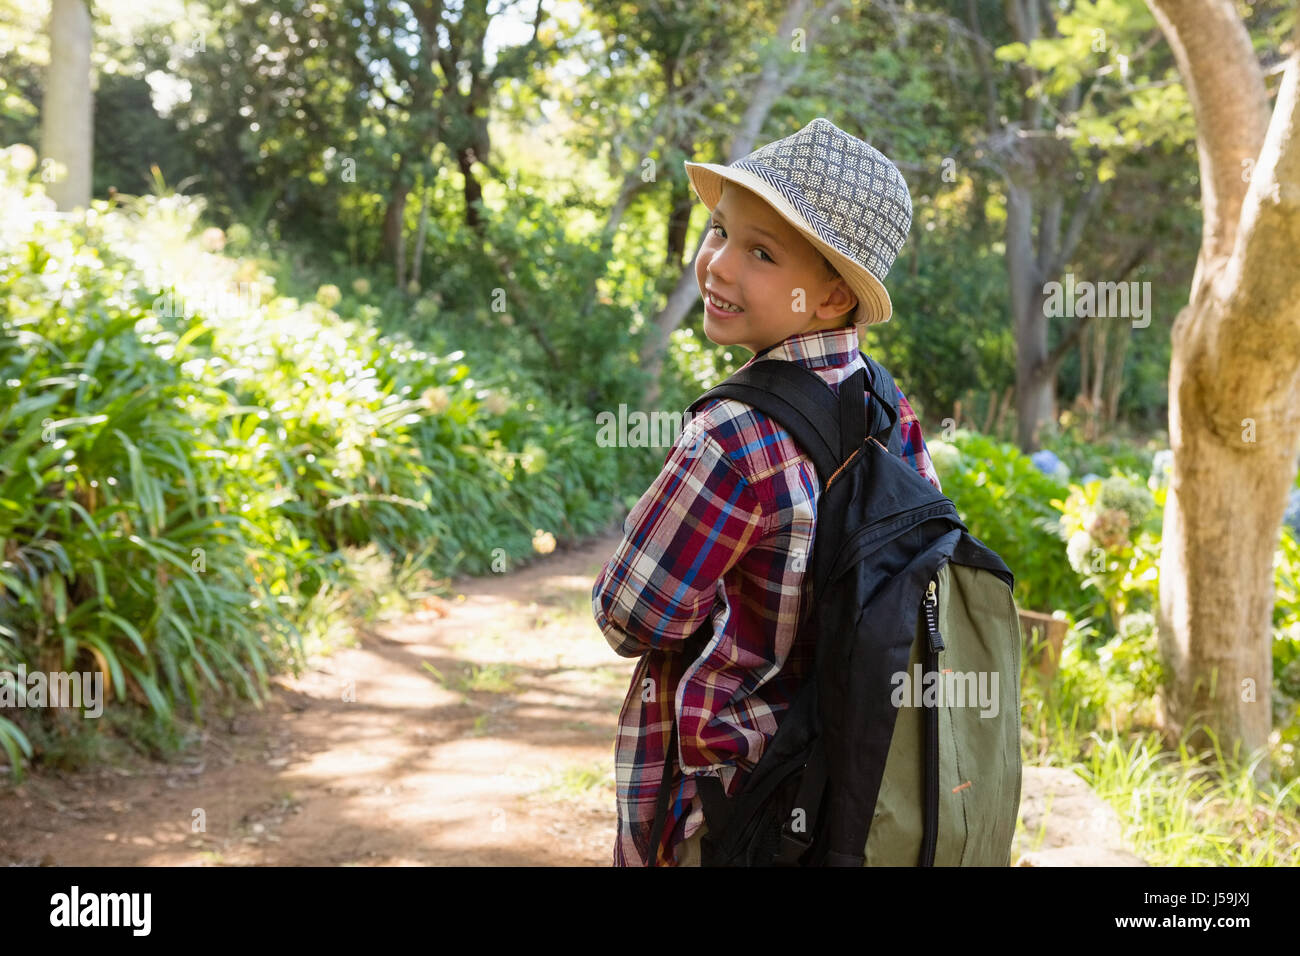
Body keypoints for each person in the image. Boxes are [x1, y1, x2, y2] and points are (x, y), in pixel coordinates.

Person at [591, 117, 942, 867]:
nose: (717, 265)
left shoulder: (733, 435)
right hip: (840, 793)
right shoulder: (890, 408)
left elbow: (629, 614)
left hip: (717, 809)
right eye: (719, 230)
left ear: (828, 299)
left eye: (760, 252)